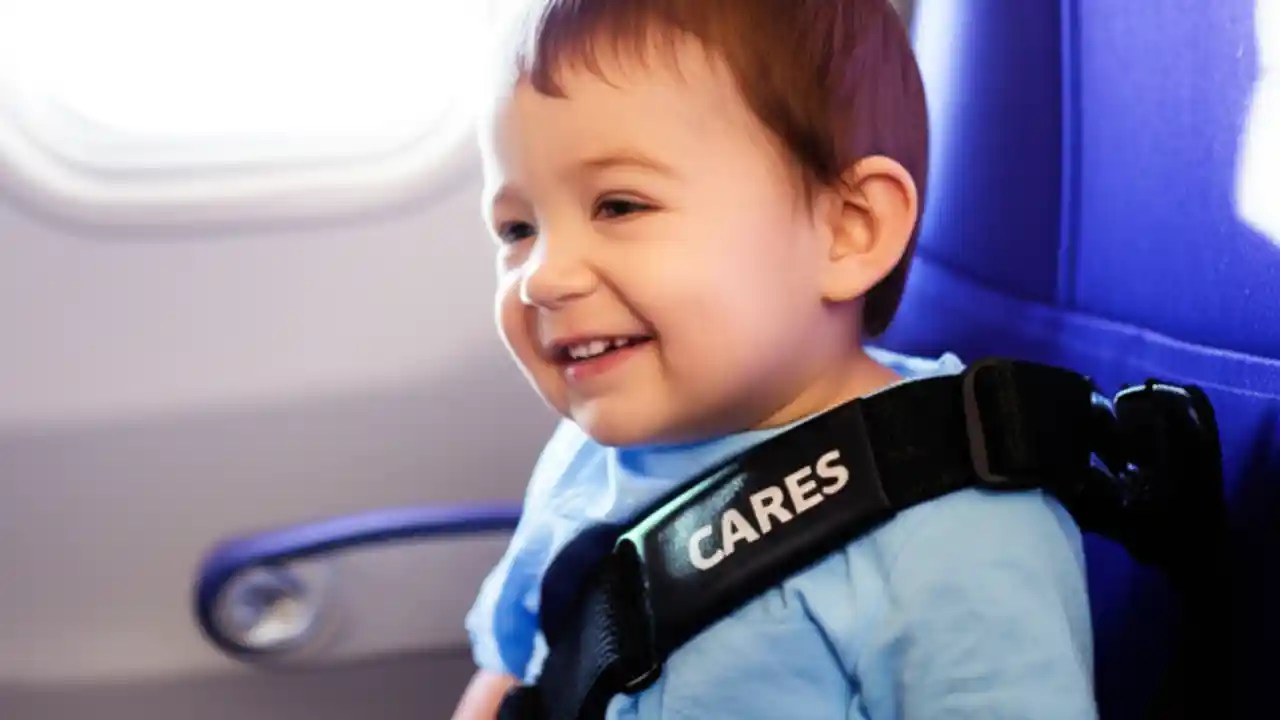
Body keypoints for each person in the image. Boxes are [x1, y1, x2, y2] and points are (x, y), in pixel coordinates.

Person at [453, 1, 1096, 717]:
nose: (541, 276)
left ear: (849, 230)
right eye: (517, 227)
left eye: (620, 206)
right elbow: (514, 679)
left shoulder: (956, 532)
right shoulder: (585, 457)